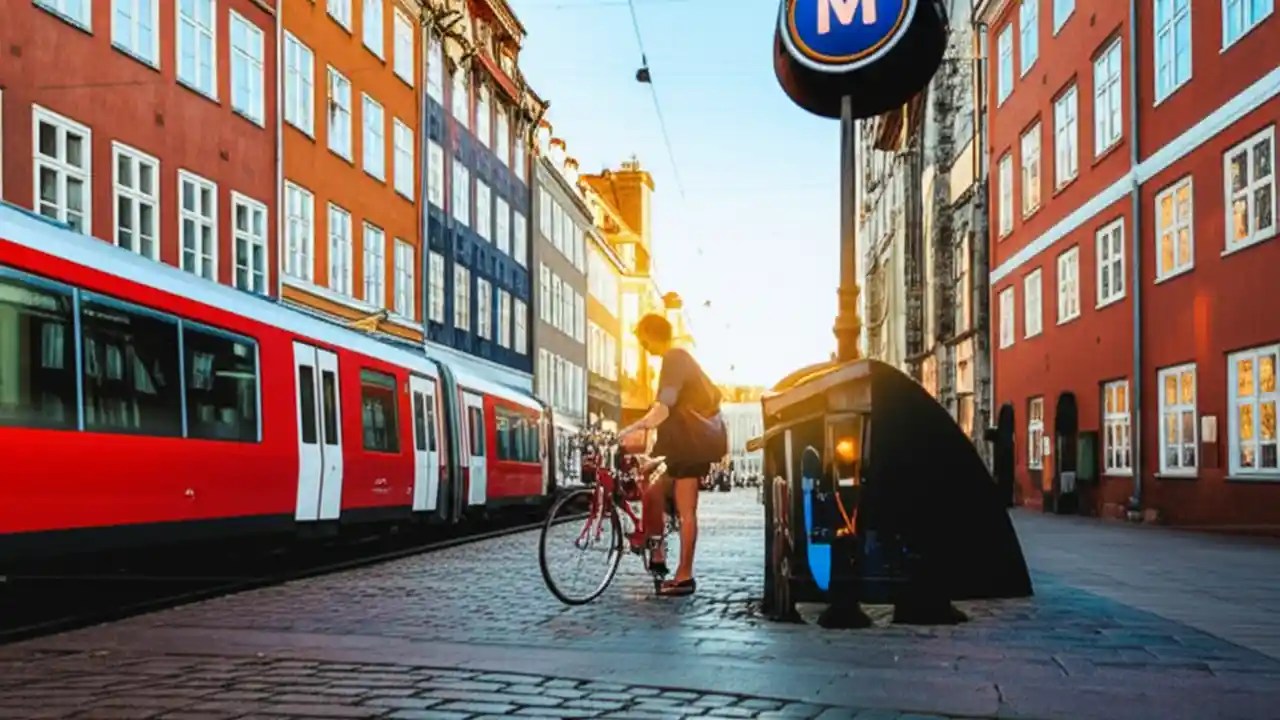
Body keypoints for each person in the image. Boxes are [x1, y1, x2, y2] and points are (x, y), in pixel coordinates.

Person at [619, 313, 726, 597]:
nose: (643, 346)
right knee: (652, 490)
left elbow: (664, 406)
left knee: (687, 511)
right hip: (681, 445)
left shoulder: (674, 358)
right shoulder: (676, 359)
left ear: (652, 335)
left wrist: (635, 425)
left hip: (690, 448)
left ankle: (684, 576)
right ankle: (658, 554)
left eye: (643, 340)